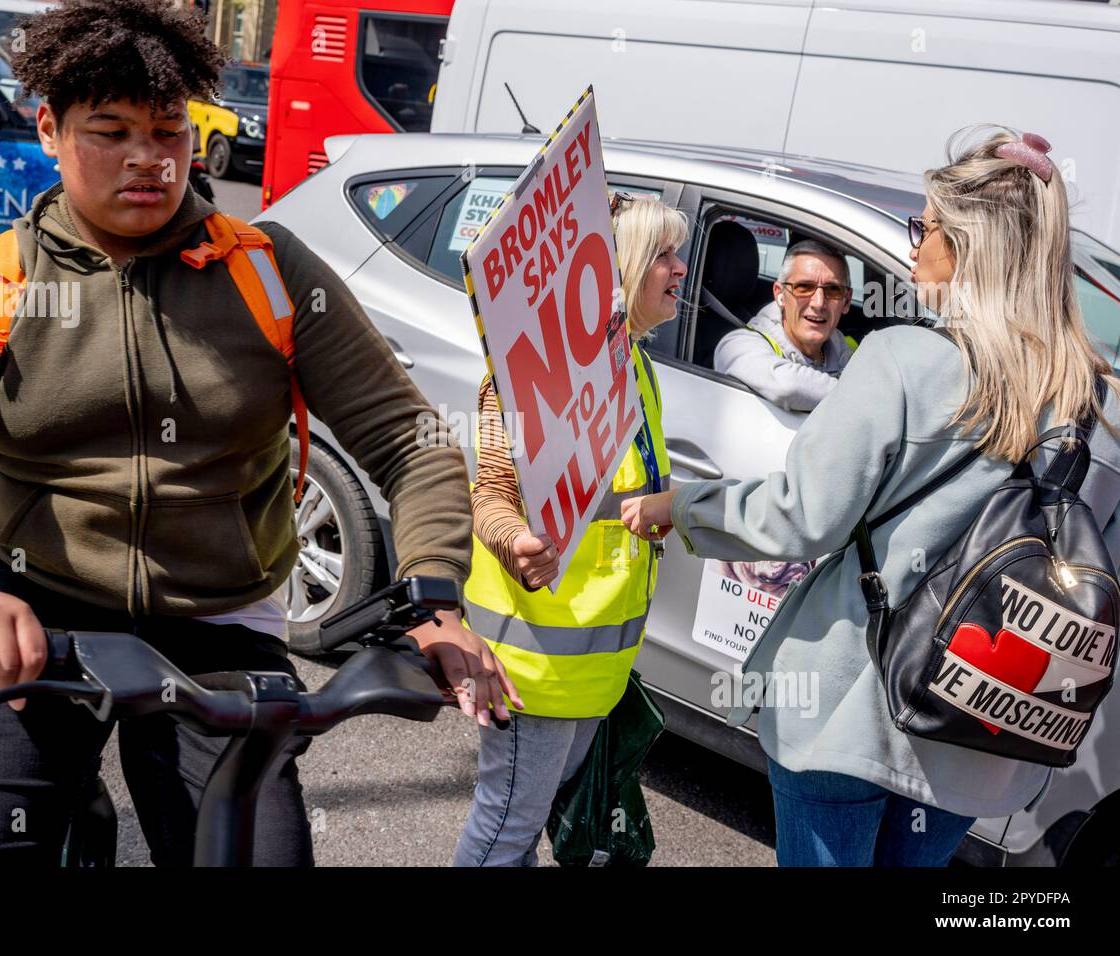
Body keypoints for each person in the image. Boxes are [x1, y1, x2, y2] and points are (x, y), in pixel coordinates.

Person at [0, 0, 518, 867]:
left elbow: (409, 440)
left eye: (167, 131)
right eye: (109, 131)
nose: (147, 159)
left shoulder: (271, 272)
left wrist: (433, 599)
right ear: (48, 128)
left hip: (221, 618)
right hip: (32, 608)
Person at [621, 127, 1120, 866]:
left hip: (852, 702)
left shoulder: (903, 359)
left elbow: (802, 514)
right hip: (972, 725)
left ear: (967, 247)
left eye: (926, 228)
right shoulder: (1081, 384)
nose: (915, 247)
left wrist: (682, 508)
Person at [453, 193, 687, 866]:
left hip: (592, 662)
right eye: (663, 255)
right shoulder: (531, 373)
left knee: (522, 827)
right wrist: (516, 542)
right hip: (532, 663)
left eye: (677, 251)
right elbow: (490, 495)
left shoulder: (635, 364)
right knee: (507, 826)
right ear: (618, 270)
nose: (680, 268)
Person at [713, 239, 854, 412]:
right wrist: (864, 396)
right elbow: (788, 387)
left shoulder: (851, 353)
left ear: (846, 301)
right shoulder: (737, 344)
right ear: (780, 295)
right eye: (804, 287)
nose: (818, 303)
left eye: (833, 290)